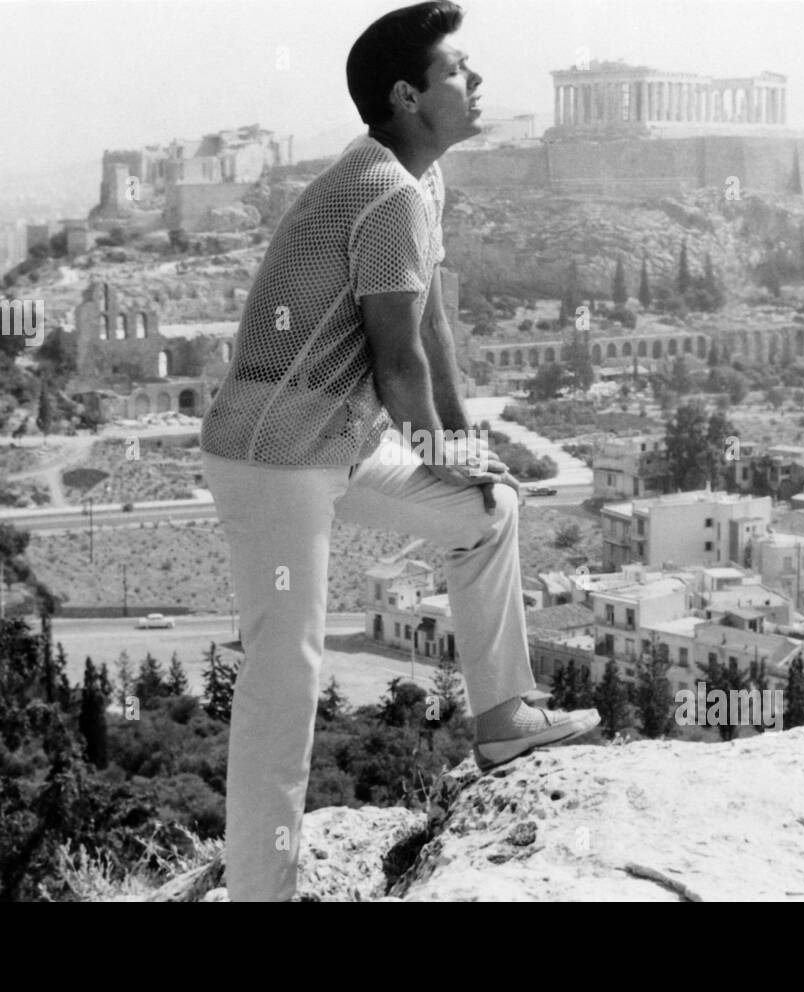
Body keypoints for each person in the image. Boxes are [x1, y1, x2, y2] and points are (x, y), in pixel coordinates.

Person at [199, 0, 599, 903]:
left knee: (487, 511)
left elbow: (433, 325)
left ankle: (503, 718)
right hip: (273, 455)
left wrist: (462, 450)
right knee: (286, 671)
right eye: (459, 71)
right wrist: (439, 441)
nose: (479, 81)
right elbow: (396, 355)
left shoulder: (419, 184)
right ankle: (263, 889)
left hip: (333, 444)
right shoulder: (384, 190)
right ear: (407, 96)